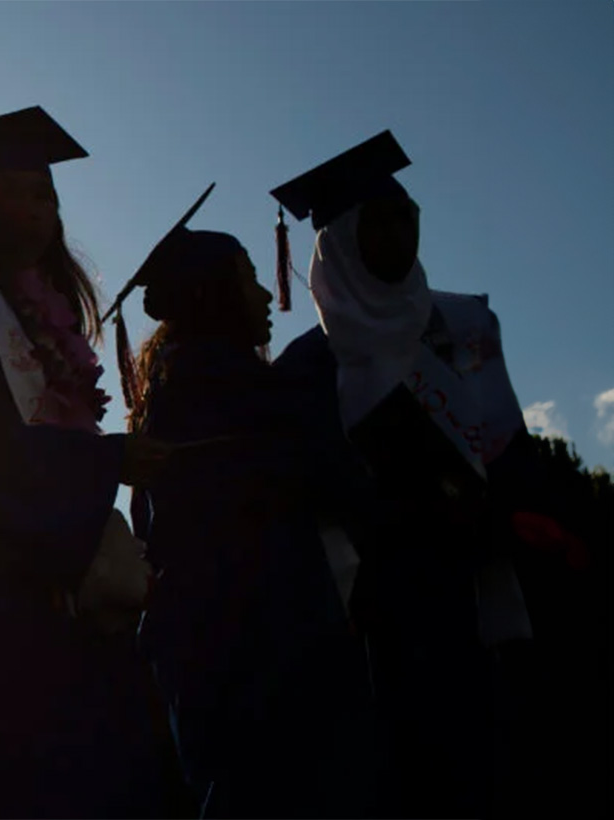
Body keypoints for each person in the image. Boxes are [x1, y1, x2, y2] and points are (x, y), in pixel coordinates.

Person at [0, 106, 177, 819]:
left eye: (48, 195)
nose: (41, 210)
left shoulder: (38, 312)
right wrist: (106, 460)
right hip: (2, 613)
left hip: (61, 606)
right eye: (20, 192)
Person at [270, 130, 543, 819]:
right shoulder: (309, 366)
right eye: (380, 221)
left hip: (479, 582)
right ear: (341, 241)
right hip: (377, 606)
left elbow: (510, 449)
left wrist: (497, 516)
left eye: (407, 217)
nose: (400, 234)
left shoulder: (463, 326)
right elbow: (311, 487)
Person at [110, 190, 378, 817]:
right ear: (211, 296)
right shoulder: (253, 395)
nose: (263, 296)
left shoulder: (168, 402)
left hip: (200, 662)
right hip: (276, 657)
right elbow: (338, 486)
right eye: (250, 278)